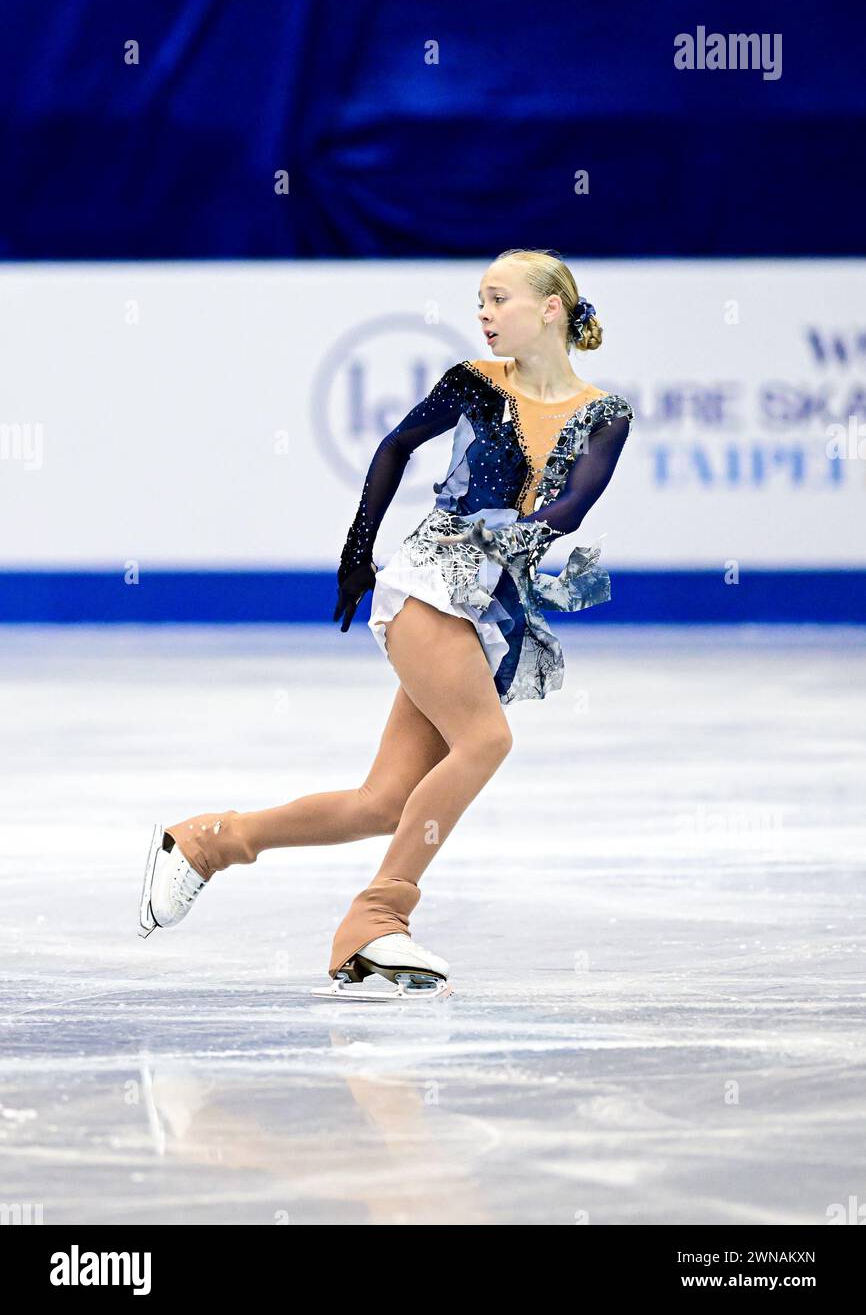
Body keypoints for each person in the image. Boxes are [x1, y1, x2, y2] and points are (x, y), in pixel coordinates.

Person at [138, 248, 634, 1001]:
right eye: (480, 300)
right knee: (487, 740)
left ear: (550, 309)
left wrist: (522, 540)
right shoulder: (475, 381)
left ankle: (208, 842)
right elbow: (396, 444)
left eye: (498, 299)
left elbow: (571, 508)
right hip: (430, 579)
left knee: (387, 802)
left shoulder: (605, 416)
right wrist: (356, 552)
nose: (484, 313)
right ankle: (376, 916)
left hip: (491, 598)